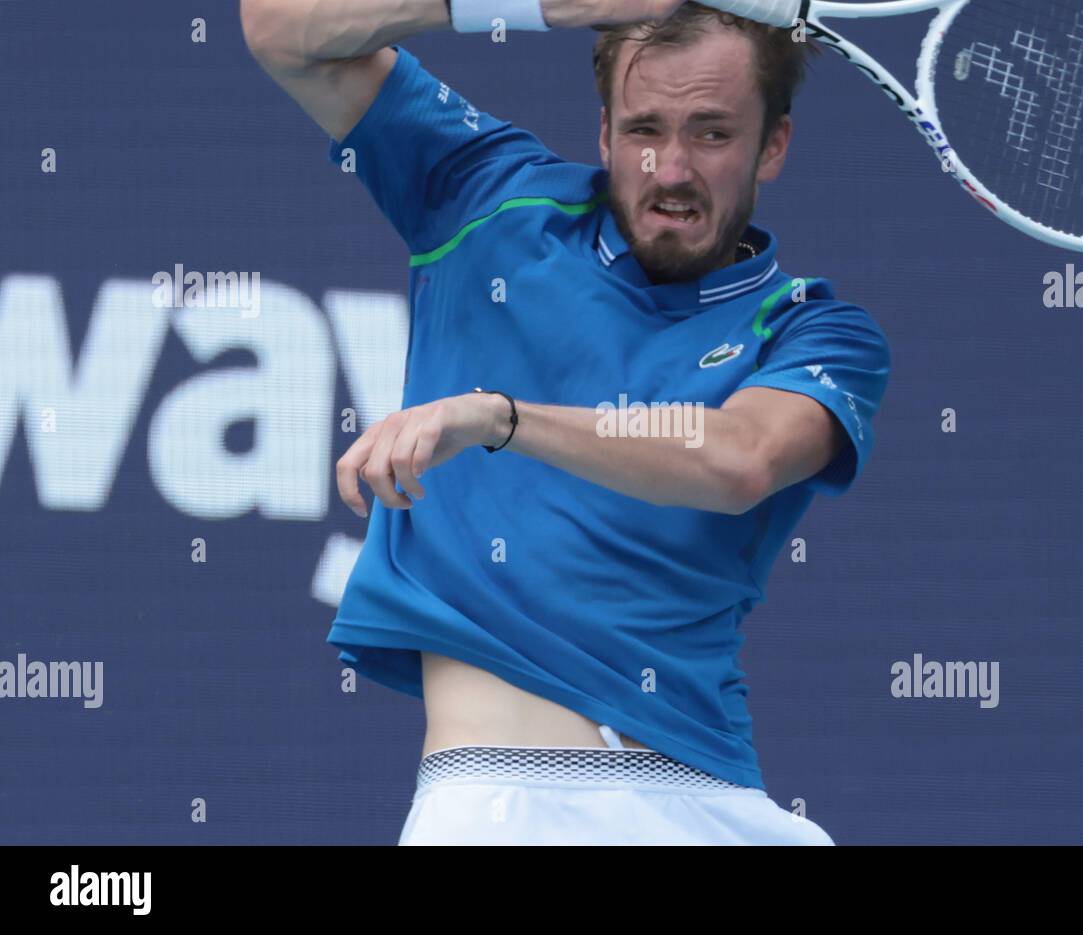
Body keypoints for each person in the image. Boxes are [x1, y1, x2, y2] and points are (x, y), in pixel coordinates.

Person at [241, 0, 890, 844]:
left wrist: (499, 419)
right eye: (644, 128)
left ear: (774, 145)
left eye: (713, 133)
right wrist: (537, 3)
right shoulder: (484, 192)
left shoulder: (815, 329)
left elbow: (741, 459)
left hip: (717, 806)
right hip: (508, 804)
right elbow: (280, 30)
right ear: (605, 133)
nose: (671, 170)